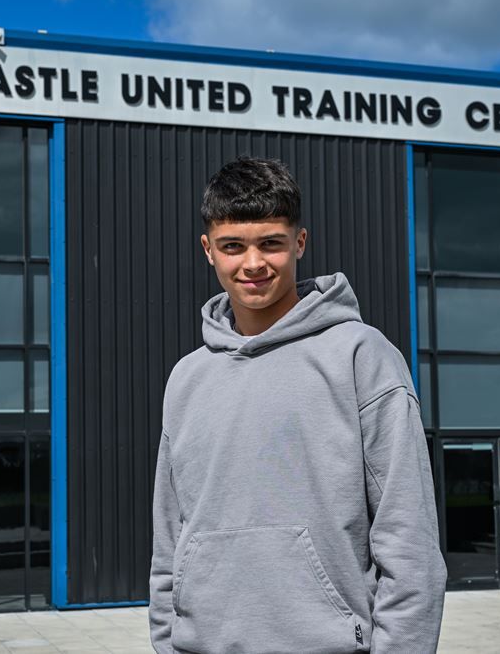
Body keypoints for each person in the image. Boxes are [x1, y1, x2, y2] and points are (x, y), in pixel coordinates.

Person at [148, 156, 446, 653]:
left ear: (299, 243)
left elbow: (409, 539)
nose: (253, 263)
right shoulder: (187, 378)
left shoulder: (360, 356)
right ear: (208, 251)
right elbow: (169, 536)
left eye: (271, 243)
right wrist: (167, 641)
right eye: (232, 246)